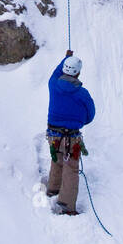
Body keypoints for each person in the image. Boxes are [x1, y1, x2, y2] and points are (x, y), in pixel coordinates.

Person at [45, 50, 96, 215]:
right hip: (72, 137)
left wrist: (66, 58)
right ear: (78, 72)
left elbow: (57, 71)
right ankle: (67, 204)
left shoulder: (53, 84)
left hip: (53, 134)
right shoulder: (82, 94)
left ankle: (53, 189)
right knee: (71, 168)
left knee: (56, 160)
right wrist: (79, 121)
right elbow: (90, 114)